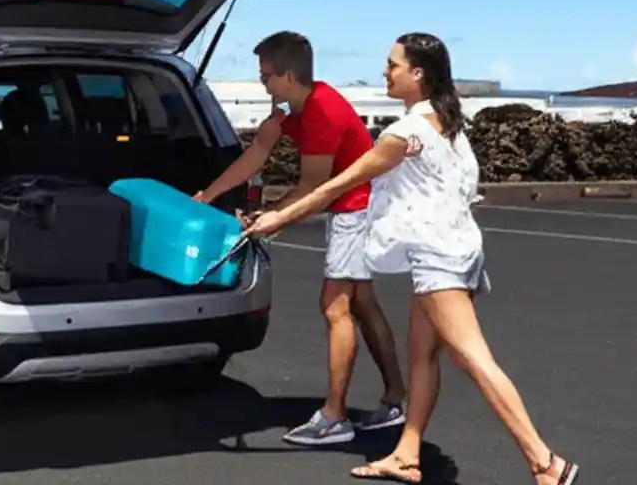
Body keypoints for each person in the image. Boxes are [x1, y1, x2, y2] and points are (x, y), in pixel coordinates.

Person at [244, 32, 579, 484]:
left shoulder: (404, 134)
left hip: (439, 258)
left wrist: (275, 219)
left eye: (393, 65)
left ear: (417, 74)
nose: (385, 72)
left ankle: (546, 464)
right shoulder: (445, 121)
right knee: (421, 357)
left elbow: (335, 185)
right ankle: (406, 454)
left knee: (473, 359)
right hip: (456, 249)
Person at [194, 30, 408, 446]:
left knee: (335, 306)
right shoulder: (296, 109)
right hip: (356, 208)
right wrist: (209, 194)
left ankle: (334, 417)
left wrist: (273, 216)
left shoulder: (322, 113)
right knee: (362, 304)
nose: (263, 84)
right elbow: (257, 153)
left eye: (267, 76)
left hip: (357, 211)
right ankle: (395, 399)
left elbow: (313, 186)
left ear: (289, 75)